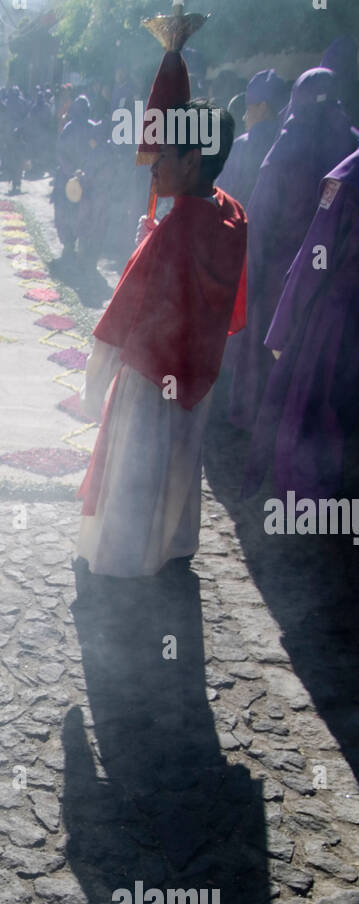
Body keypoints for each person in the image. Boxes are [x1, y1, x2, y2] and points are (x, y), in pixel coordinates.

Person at [76, 102, 247, 578]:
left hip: (151, 373)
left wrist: (97, 378)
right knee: (180, 459)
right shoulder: (232, 212)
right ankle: (175, 543)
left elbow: (124, 315)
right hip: (198, 370)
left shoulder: (173, 231)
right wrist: (156, 237)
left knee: (137, 464)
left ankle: (123, 559)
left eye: (163, 155)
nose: (152, 164)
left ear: (191, 161)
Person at [228, 68, 358, 432]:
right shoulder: (351, 146)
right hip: (336, 289)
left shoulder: (287, 148)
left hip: (280, 279)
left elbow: (262, 220)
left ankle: (256, 424)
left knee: (265, 351)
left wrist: (245, 284)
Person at [243, 147, 359, 502]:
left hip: (336, 320)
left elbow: (316, 257)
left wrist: (284, 325)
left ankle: (309, 498)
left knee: (314, 408)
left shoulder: (347, 180)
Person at [216, 69, 288, 211]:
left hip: (240, 227)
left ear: (263, 107)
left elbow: (220, 195)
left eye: (248, 109)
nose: (244, 117)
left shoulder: (241, 147)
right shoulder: (290, 144)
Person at [54, 94, 107, 270]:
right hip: (74, 179)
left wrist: (81, 172)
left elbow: (98, 152)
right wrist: (74, 172)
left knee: (81, 215)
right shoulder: (70, 128)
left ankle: (79, 246)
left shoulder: (87, 128)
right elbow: (61, 153)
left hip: (83, 180)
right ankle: (70, 244)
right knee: (69, 213)